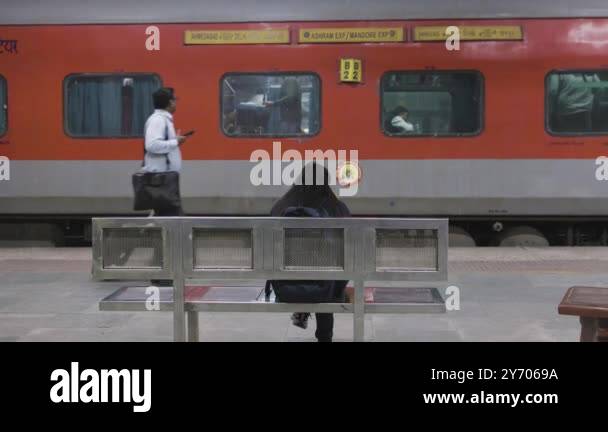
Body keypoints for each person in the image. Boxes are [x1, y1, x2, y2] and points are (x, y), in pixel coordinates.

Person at [269, 163, 351, 342]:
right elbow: (349, 248)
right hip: (325, 288)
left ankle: (302, 309)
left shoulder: (282, 206)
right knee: (329, 271)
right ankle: (324, 335)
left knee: (304, 266)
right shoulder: (336, 208)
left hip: (286, 287)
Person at [142, 87, 189, 216]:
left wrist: (174, 140)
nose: (176, 103)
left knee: (167, 218)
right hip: (163, 181)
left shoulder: (163, 120)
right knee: (173, 218)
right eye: (175, 100)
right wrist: (175, 142)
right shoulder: (158, 120)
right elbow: (151, 145)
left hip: (166, 180)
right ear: (170, 102)